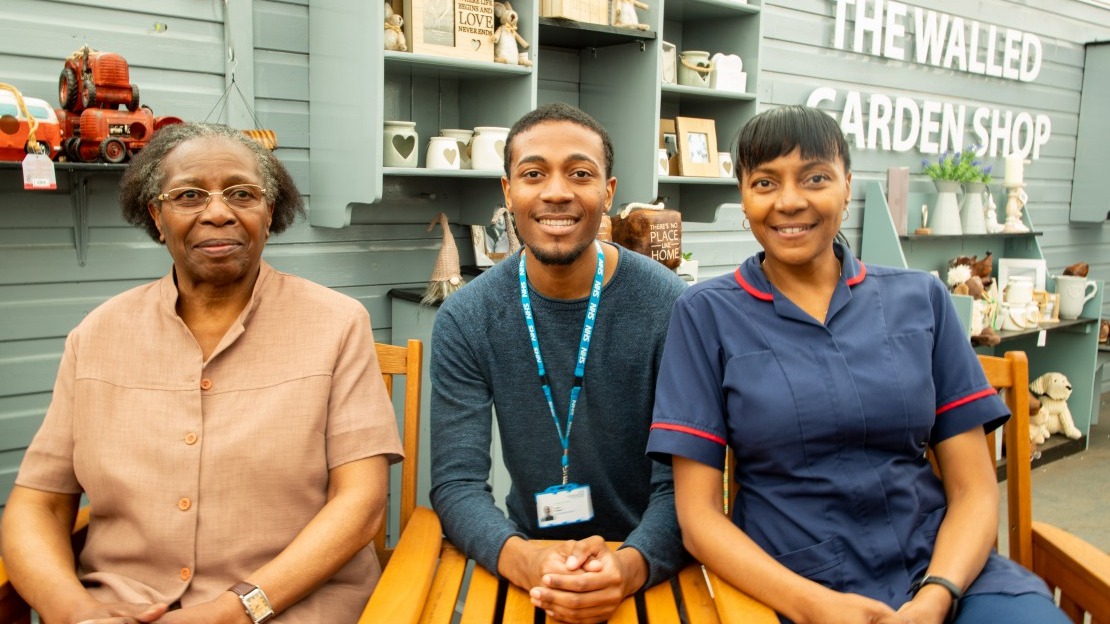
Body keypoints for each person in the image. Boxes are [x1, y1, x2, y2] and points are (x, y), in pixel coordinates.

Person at [647, 105, 1069, 624]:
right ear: (744, 197)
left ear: (847, 187)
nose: (789, 201)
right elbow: (699, 518)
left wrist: (936, 596)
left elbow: (974, 489)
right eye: (764, 182)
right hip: (791, 588)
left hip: (944, 569)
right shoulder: (706, 314)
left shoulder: (922, 300)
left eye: (815, 178)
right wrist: (819, 607)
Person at [1, 123, 403, 623]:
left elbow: (361, 504)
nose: (218, 212)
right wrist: (75, 611)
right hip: (117, 605)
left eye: (242, 193)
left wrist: (235, 609)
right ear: (157, 215)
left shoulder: (337, 325)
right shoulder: (97, 336)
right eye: (189, 195)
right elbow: (37, 504)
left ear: (269, 212)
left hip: (288, 606)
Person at [430, 102, 688, 624]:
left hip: (653, 563)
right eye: (533, 174)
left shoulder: (668, 305)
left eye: (580, 173)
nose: (555, 192)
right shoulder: (468, 316)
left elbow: (680, 486)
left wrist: (630, 565)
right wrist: (525, 560)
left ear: (608, 193)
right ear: (508, 193)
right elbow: (457, 483)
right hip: (525, 558)